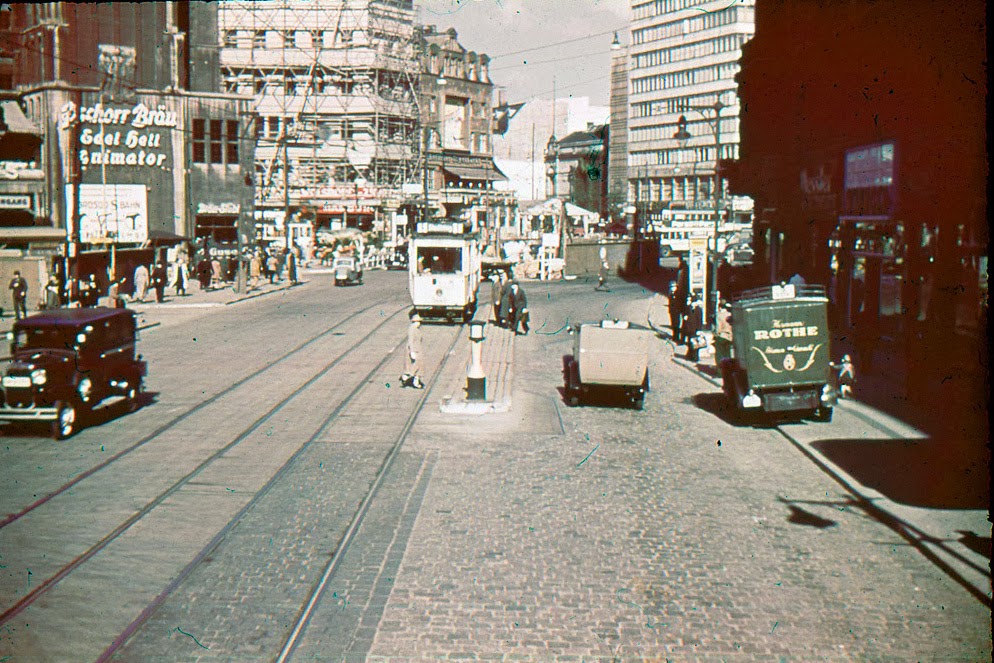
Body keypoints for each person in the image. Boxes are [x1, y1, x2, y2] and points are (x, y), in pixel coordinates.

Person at [401, 312, 425, 389]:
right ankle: (406, 378)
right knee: (415, 366)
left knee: (419, 366)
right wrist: (412, 352)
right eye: (418, 322)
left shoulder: (416, 329)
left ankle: (414, 380)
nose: (419, 323)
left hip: (418, 349)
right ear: (414, 322)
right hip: (414, 350)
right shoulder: (412, 329)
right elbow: (410, 341)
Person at [671, 255, 690, 343]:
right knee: (683, 320)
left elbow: (680, 283)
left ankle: (678, 337)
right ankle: (681, 338)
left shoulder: (682, 271)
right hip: (683, 297)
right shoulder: (685, 270)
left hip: (681, 298)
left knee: (678, 320)